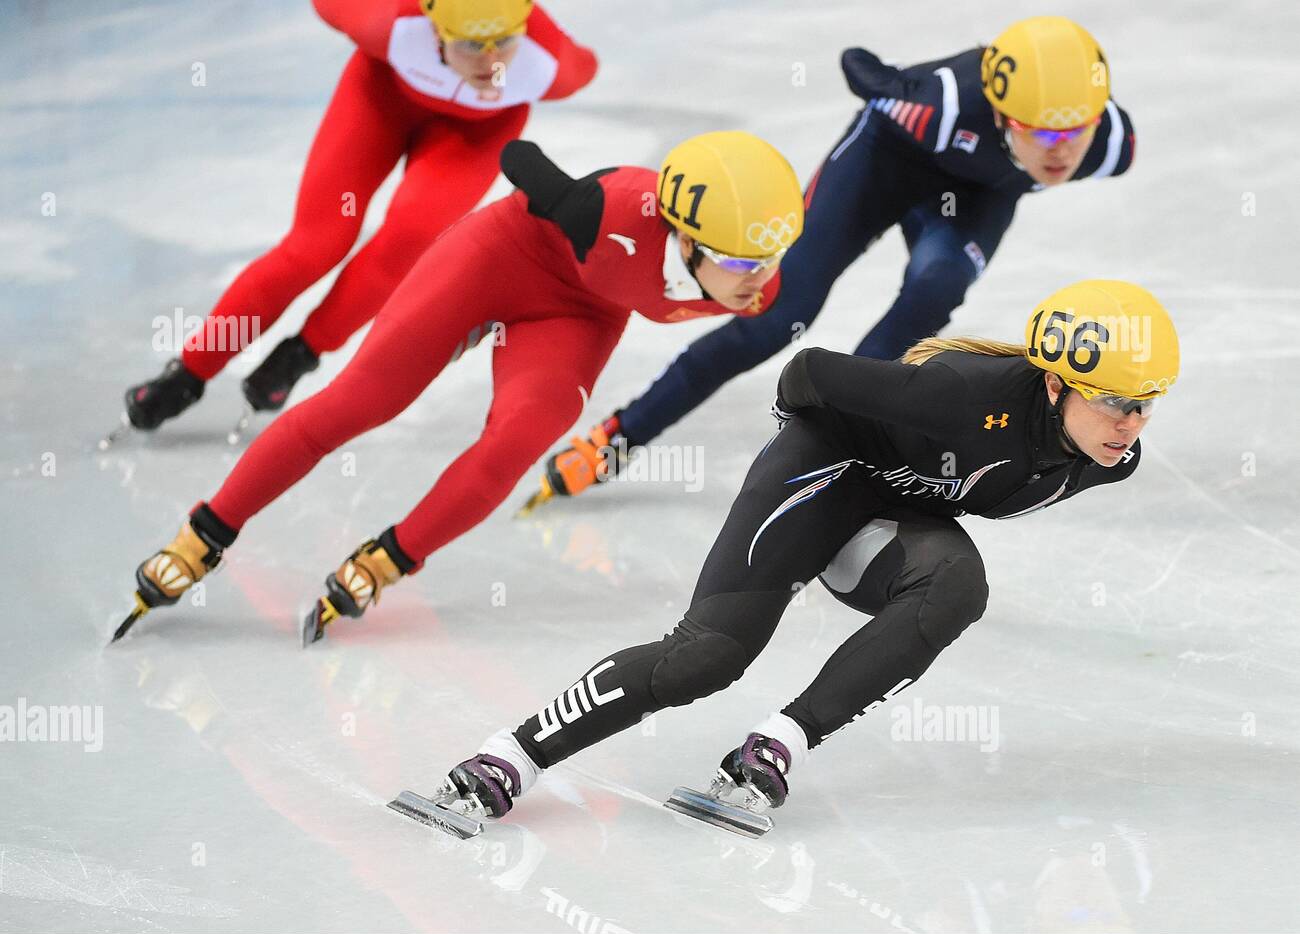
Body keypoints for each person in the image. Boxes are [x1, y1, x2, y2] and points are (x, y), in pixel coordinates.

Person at [411, 280, 1179, 834]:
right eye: (1113, 400)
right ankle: (507, 757)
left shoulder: (1107, 459)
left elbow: (945, 495)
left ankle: (771, 747)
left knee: (957, 585)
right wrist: (790, 479)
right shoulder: (961, 396)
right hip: (817, 475)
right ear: (1055, 384)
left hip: (888, 514)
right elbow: (809, 371)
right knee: (706, 658)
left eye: (1145, 402)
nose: (1130, 423)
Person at [111, 131, 806, 643]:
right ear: (683, 237)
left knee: (524, 434)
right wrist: (558, 196)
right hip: (497, 258)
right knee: (362, 400)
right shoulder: (612, 213)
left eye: (771, 255)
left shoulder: (753, 286)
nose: (759, 276)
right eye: (743, 257)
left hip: (577, 314)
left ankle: (389, 556)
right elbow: (520, 158)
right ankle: (205, 534)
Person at [525, 16, 1138, 511]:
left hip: (974, 198)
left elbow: (1071, 138)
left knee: (937, 282)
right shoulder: (941, 103)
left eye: (1075, 134)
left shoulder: (1109, 145)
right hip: (888, 162)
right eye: (1043, 135)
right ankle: (622, 435)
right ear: (1002, 115)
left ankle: (834, 433)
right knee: (777, 316)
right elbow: (859, 65)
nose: (1061, 153)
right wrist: (877, 78)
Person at [117, 0, 596, 436]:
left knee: (410, 237)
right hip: (379, 99)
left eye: (505, 42)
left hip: (474, 138)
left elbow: (587, 65)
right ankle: (189, 371)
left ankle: (303, 353)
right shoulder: (387, 24)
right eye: (471, 44)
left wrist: (311, 344)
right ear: (434, 30)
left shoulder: (551, 65)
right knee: (313, 248)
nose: (491, 63)